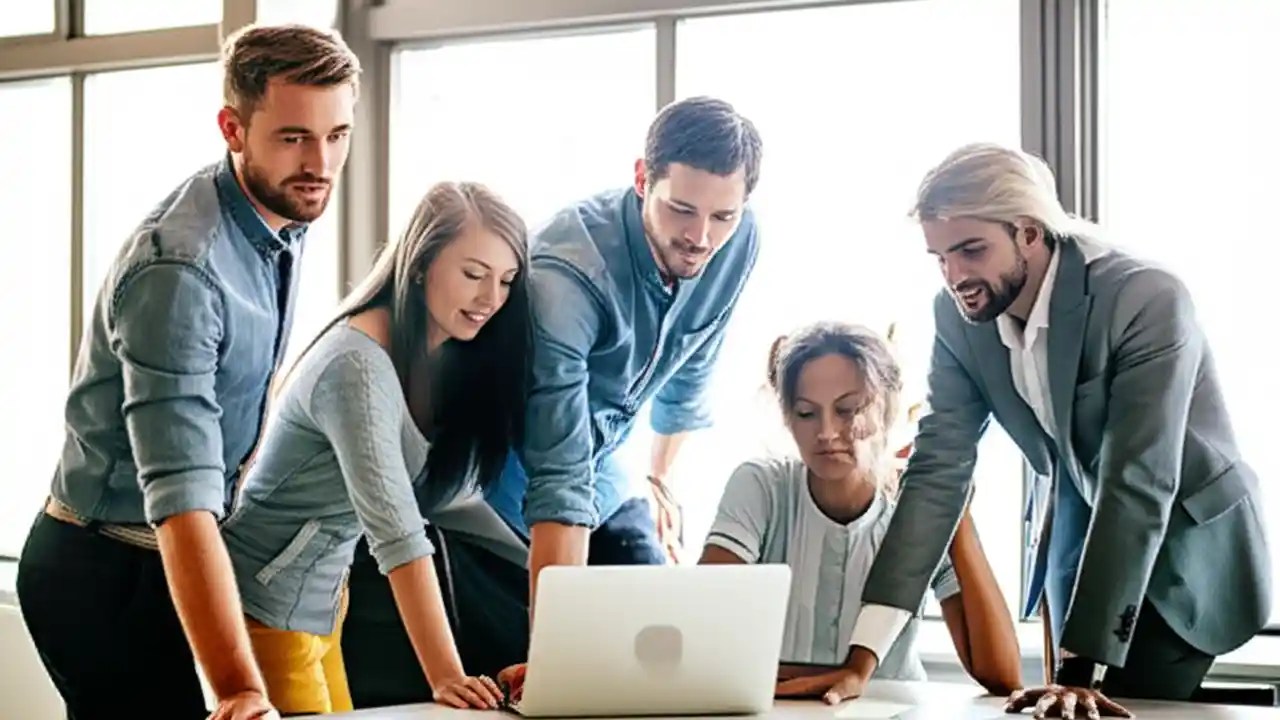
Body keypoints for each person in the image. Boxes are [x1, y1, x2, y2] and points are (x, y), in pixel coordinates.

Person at [841, 143, 1272, 718]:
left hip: (1184, 549)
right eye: (939, 257)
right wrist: (862, 656)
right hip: (1081, 533)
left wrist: (1077, 666)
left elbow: (1138, 478)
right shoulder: (957, 319)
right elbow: (938, 468)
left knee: (1106, 705)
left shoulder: (1145, 299)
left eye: (971, 250)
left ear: (1028, 231)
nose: (954, 276)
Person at [15, 23, 359, 720]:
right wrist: (240, 686)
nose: (320, 162)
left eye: (338, 134)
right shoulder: (182, 271)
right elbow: (181, 499)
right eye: (294, 137)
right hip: (103, 567)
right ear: (233, 128)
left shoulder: (272, 220)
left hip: (159, 560)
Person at [220, 181, 531, 715]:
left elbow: (455, 502)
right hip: (264, 607)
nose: (491, 299)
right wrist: (448, 677)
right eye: (473, 275)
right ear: (418, 263)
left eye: (506, 281)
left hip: (322, 605)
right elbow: (398, 533)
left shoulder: (439, 358)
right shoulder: (356, 368)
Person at [485, 94, 763, 587]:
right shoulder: (566, 279)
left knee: (658, 629)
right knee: (540, 649)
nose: (701, 237)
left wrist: (659, 478)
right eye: (682, 209)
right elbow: (559, 476)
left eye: (723, 215)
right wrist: (554, 646)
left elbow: (693, 363)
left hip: (607, 475)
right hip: (508, 494)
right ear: (642, 179)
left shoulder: (738, 240)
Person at [699, 322, 1023, 704]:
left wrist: (953, 509)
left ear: (887, 410)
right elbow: (706, 633)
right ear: (787, 418)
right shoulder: (762, 487)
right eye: (806, 413)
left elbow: (1002, 676)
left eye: (848, 410)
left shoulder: (914, 508)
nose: (826, 432)